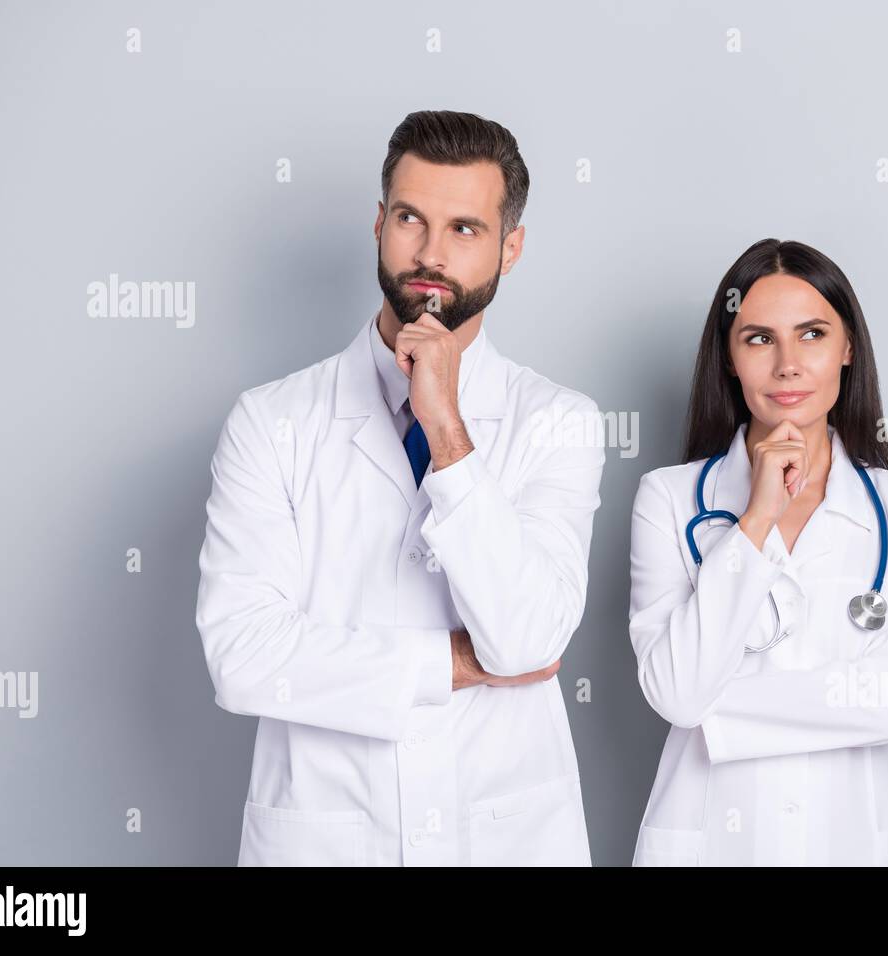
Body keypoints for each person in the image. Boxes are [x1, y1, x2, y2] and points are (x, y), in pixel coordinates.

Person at [195, 110, 605, 866]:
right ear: (380, 223)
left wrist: (446, 431)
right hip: (328, 835)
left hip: (507, 836)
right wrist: (450, 664)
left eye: (465, 230)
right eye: (411, 219)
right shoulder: (271, 421)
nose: (430, 254)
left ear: (510, 248)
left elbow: (528, 638)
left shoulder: (559, 422)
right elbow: (243, 656)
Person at [627, 238, 888, 866]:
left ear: (848, 348)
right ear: (730, 358)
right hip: (707, 842)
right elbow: (676, 694)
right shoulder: (668, 498)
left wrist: (720, 719)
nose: (788, 365)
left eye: (812, 334)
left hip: (849, 842)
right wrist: (756, 519)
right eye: (759, 339)